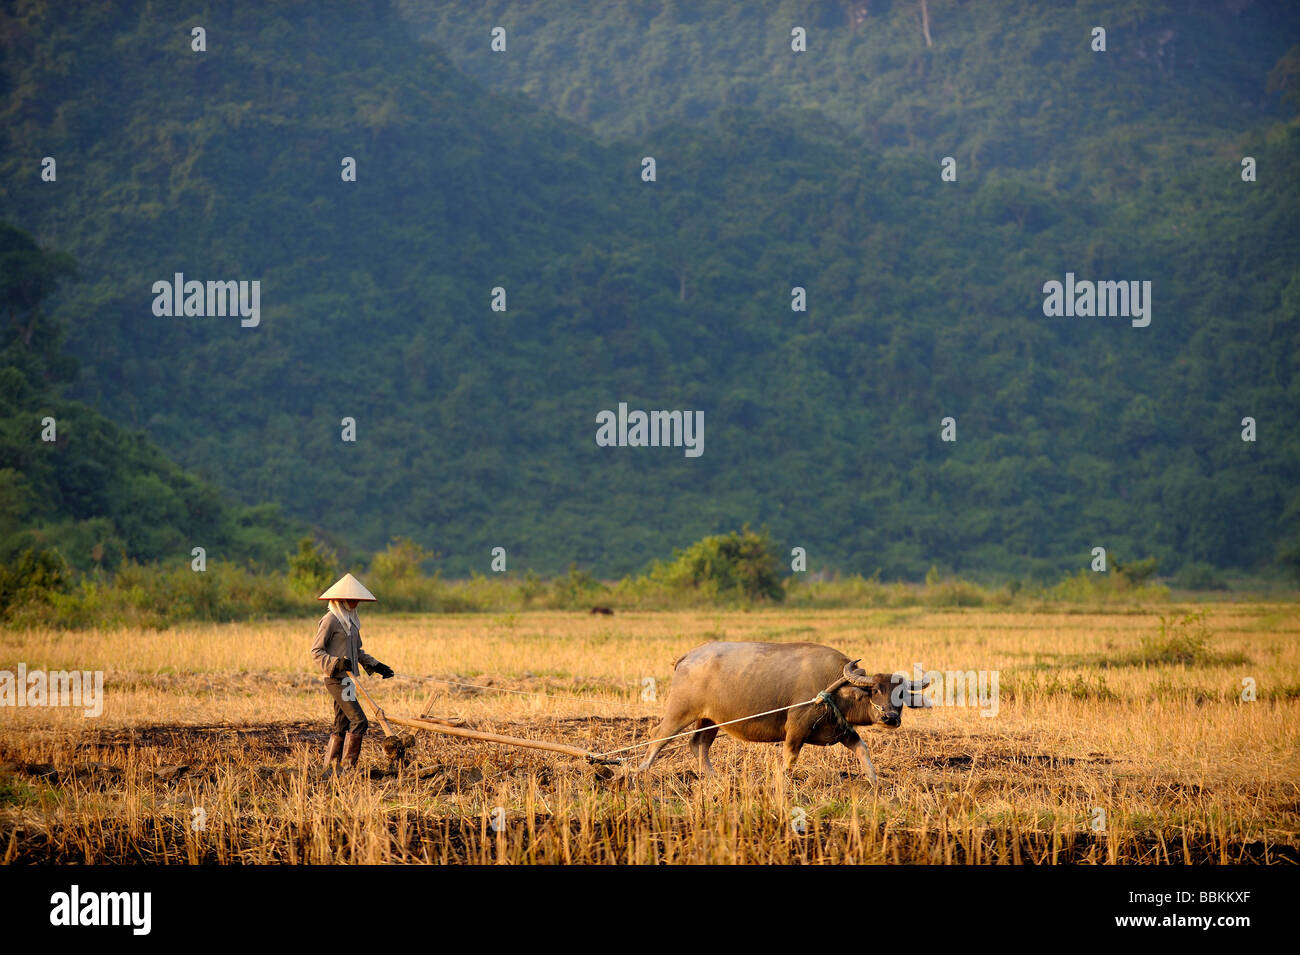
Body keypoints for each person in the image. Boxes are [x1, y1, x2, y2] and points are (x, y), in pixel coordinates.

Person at [310, 573, 394, 772]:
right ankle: (348, 769)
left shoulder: (352, 621)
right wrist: (338, 663)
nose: (355, 602)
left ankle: (330, 769)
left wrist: (377, 666)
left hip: (350, 681)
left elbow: (357, 652)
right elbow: (316, 651)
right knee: (359, 721)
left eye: (357, 599)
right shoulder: (330, 620)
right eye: (351, 599)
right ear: (341, 599)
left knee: (342, 723)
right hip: (336, 680)